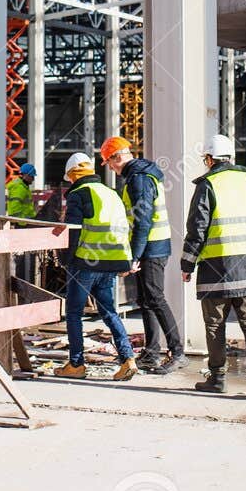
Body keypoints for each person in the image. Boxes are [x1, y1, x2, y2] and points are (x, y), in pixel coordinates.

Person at [181, 133, 246, 399]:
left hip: (216, 268)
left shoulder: (207, 185)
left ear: (210, 159)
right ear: (231, 157)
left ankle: (218, 378)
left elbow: (197, 229)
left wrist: (187, 263)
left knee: (215, 324)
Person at [101, 136, 185, 374]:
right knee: (146, 300)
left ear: (118, 157)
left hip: (151, 248)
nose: (110, 168)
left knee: (155, 298)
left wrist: (134, 256)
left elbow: (143, 221)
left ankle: (177, 352)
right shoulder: (140, 176)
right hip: (152, 246)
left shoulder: (139, 179)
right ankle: (151, 352)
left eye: (110, 162)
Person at [56, 152, 138, 381]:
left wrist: (66, 260)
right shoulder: (111, 193)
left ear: (73, 175)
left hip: (85, 262)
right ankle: (128, 359)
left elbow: (73, 232)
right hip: (111, 262)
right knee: (109, 311)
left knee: (74, 313)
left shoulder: (79, 194)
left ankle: (76, 364)